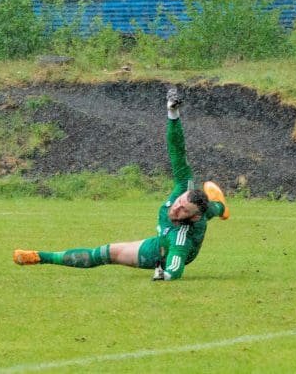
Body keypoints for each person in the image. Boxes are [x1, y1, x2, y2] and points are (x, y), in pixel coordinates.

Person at [13, 87, 230, 281]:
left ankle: (41, 257)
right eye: (179, 201)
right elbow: (177, 150)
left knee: (107, 254)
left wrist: (164, 274)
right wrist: (172, 113)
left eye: (183, 209)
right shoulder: (186, 187)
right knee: (209, 207)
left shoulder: (180, 237)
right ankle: (219, 206)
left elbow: (176, 268)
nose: (176, 206)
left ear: (192, 218)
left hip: (161, 249)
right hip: (195, 214)